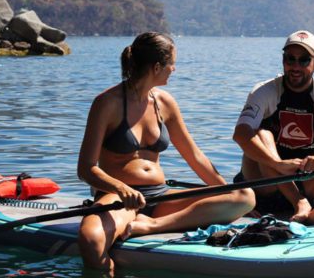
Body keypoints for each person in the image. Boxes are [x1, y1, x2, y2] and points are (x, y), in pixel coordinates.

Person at [77, 32, 254, 272]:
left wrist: (225, 191)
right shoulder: (107, 103)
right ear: (157, 66)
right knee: (91, 243)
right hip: (120, 198)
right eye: (172, 63)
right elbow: (86, 169)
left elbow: (195, 157)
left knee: (245, 196)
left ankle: (151, 225)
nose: (174, 69)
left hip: (161, 197)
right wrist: (121, 188)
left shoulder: (165, 103)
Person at [232, 30, 314, 227]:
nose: (295, 66)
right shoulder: (264, 92)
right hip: (265, 184)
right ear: (283, 60)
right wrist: (277, 163)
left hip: (305, 180)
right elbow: (241, 134)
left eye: (304, 60)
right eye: (290, 59)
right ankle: (300, 204)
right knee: (262, 134)